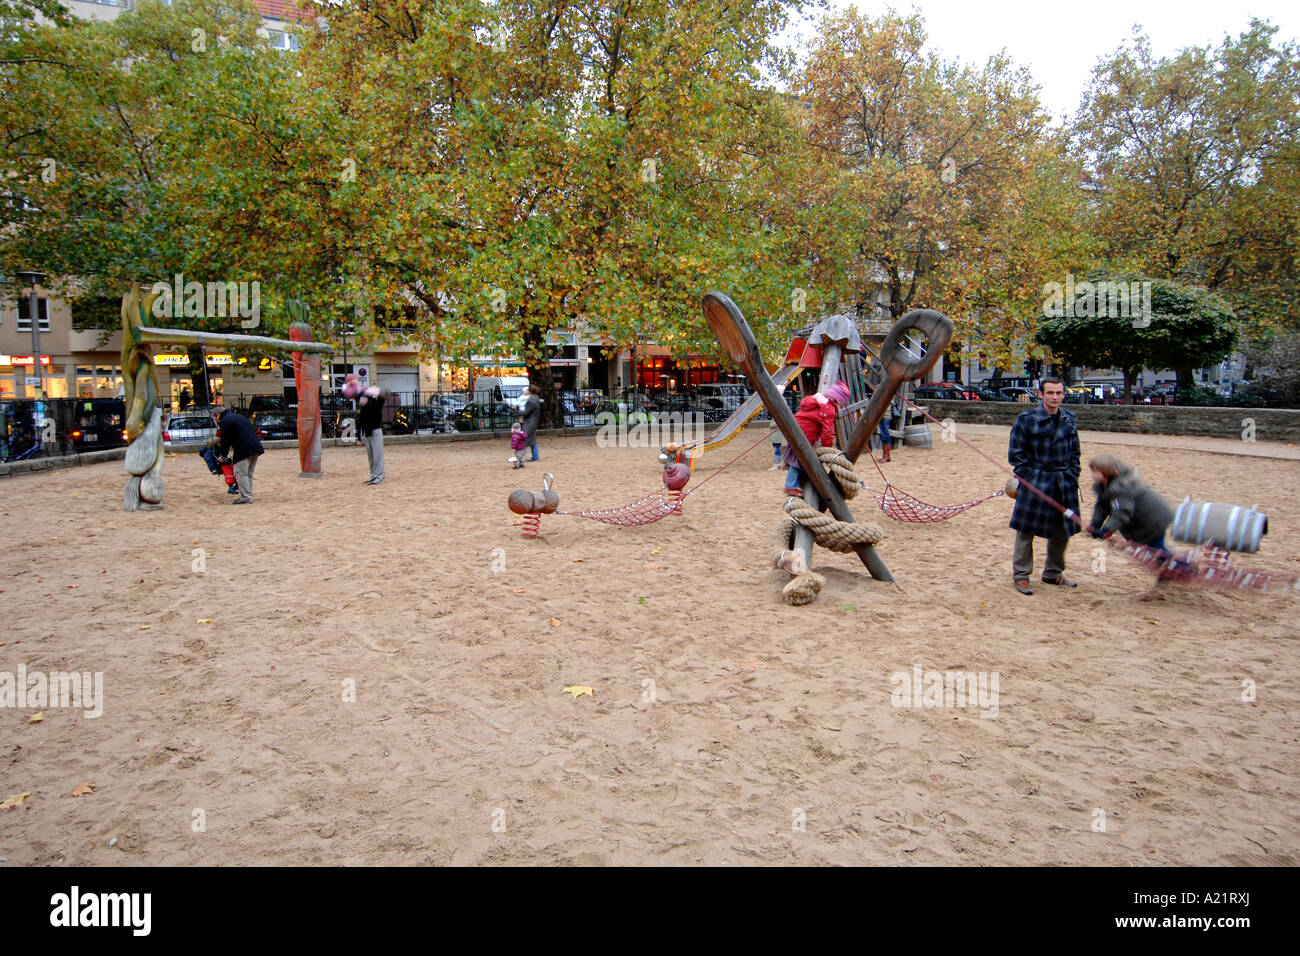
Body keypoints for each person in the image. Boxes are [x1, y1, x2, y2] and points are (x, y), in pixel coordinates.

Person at [1008, 376, 1080, 594]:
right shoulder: (1026, 419)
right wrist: (1029, 478)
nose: (1055, 397)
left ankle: (1053, 573)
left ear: (1063, 394)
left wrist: (1072, 475)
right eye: (1050, 393)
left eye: (1058, 393)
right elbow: (1016, 455)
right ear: (1041, 394)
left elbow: (1075, 453)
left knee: (1063, 531)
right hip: (1036, 482)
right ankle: (1021, 575)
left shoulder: (1069, 418)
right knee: (1025, 530)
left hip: (1063, 483)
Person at [783, 381, 850, 497]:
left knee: (798, 458)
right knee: (800, 460)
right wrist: (828, 448)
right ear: (838, 399)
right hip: (805, 436)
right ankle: (790, 486)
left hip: (794, 429)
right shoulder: (828, 408)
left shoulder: (815, 401)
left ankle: (795, 484)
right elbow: (827, 431)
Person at [210, 407, 263, 504]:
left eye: (214, 418)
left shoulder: (225, 421)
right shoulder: (238, 417)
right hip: (255, 446)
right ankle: (248, 494)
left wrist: (223, 455)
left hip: (243, 448)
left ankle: (246, 496)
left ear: (217, 415)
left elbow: (225, 440)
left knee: (240, 473)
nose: (216, 421)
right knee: (248, 473)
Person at [356, 384, 386, 485]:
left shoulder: (376, 403)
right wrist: (359, 437)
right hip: (367, 432)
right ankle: (373, 475)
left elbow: (382, 398)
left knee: (377, 455)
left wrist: (376, 393)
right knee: (371, 456)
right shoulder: (365, 406)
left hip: (375, 431)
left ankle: (380, 477)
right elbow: (360, 420)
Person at [519, 385, 542, 462]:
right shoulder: (536, 399)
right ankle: (535, 456)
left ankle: (521, 457)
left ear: (530, 391)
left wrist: (517, 411)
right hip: (534, 422)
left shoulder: (531, 401)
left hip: (529, 423)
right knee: (532, 440)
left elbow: (526, 412)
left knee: (523, 439)